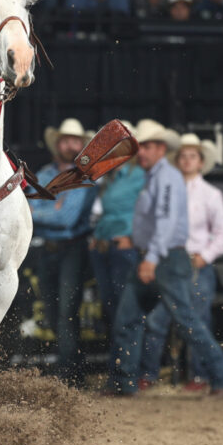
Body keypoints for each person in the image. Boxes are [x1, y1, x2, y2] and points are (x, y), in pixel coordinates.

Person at [104, 119, 223, 397]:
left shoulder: (166, 177)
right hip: (157, 256)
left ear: (162, 149)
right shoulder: (158, 177)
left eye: (148, 147)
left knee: (184, 321)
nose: (142, 152)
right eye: (140, 147)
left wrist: (150, 258)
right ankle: (123, 382)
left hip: (164, 259)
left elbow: (165, 221)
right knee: (131, 319)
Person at [137, 133, 223, 391]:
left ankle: (200, 376)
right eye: (183, 156)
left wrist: (205, 256)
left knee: (194, 319)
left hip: (193, 262)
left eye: (193, 156)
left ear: (200, 162)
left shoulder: (210, 194)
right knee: (167, 320)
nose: (187, 161)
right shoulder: (170, 185)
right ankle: (150, 373)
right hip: (171, 260)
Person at [30, 118, 98, 387]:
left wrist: (38, 212)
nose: (70, 145)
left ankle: (69, 376)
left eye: (75, 141)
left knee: (66, 313)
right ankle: (71, 372)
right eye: (65, 140)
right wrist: (50, 211)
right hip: (49, 250)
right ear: (58, 144)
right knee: (53, 310)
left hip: (72, 248)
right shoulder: (46, 173)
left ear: (82, 146)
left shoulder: (84, 178)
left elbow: (66, 219)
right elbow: (26, 208)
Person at [89, 136, 145, 334]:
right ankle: (122, 360)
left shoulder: (139, 176)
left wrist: (133, 238)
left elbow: (147, 211)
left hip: (123, 246)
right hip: (105, 246)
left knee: (126, 309)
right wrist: (97, 236)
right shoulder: (109, 178)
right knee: (112, 306)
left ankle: (127, 362)